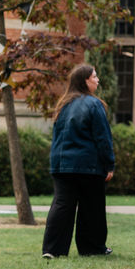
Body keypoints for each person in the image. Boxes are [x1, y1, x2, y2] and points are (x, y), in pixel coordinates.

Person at [41, 64, 116, 258]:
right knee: (92, 207)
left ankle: (53, 250)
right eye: (94, 77)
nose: (97, 80)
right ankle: (92, 248)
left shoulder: (63, 105)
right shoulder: (94, 104)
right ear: (85, 81)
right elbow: (102, 138)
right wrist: (109, 164)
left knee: (62, 205)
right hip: (88, 165)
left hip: (61, 165)